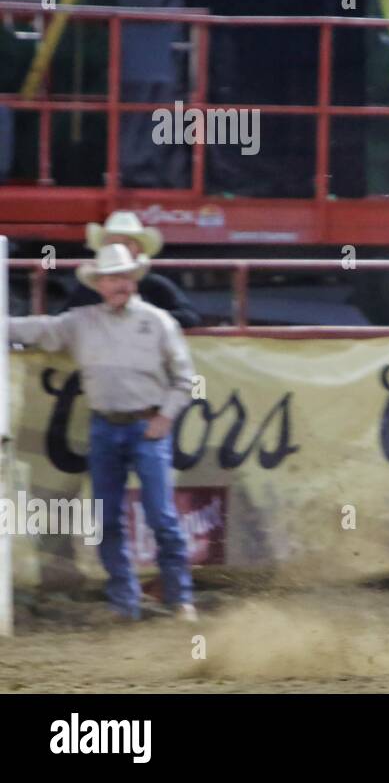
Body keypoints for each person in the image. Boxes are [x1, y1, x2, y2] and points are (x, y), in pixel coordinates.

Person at [8, 243, 198, 623]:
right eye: (112, 278)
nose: (119, 284)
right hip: (106, 426)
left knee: (160, 514)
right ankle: (124, 602)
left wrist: (165, 417)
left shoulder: (159, 322)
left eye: (124, 277)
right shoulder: (81, 322)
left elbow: (185, 380)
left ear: (133, 279)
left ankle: (180, 599)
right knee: (109, 518)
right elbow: (35, 329)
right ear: (99, 284)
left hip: (147, 426)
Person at [61, 210, 201, 328]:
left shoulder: (155, 285)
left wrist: (142, 319)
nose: (120, 248)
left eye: (127, 243)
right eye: (114, 242)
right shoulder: (87, 288)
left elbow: (190, 318)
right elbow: (63, 321)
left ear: (139, 250)